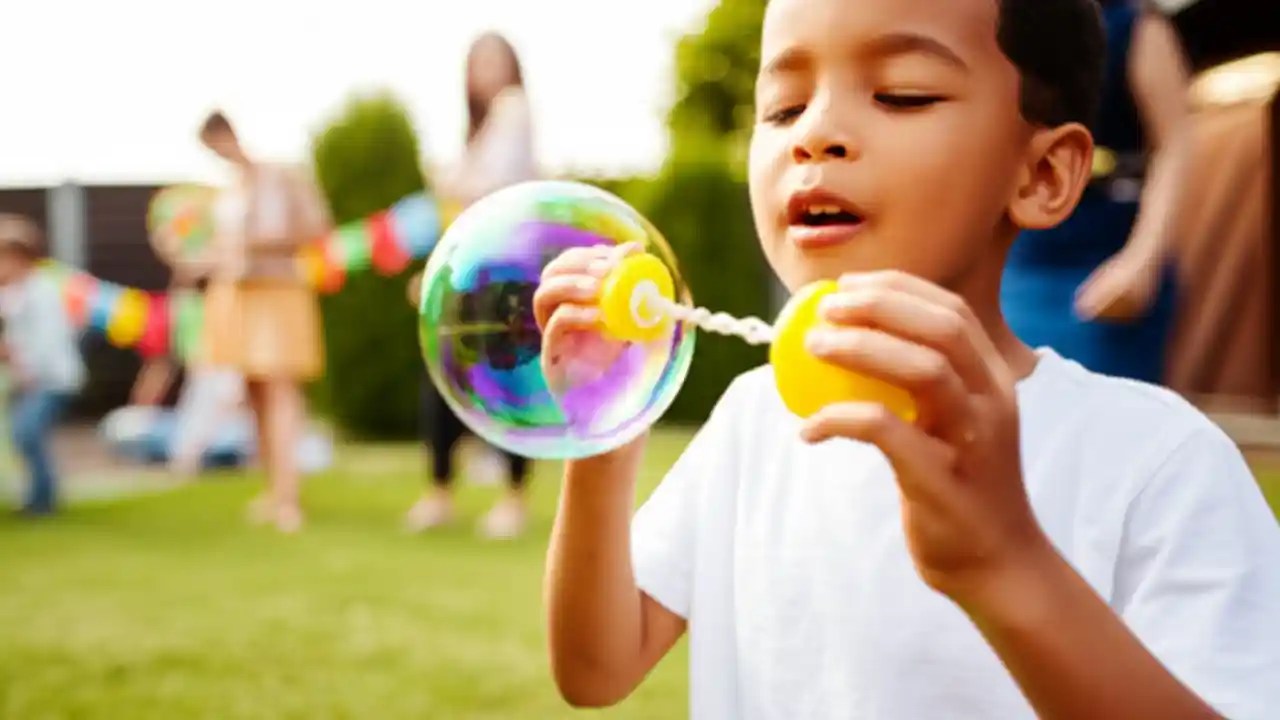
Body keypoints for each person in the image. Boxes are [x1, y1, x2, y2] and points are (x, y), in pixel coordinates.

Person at [539, 0, 1280, 717]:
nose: (816, 133)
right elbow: (597, 668)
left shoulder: (1160, 464)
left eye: (902, 94)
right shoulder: (751, 422)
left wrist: (1004, 562)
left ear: (1043, 174)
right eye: (783, 108)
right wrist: (604, 427)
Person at [1002, 0, 1191, 382]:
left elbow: (1177, 145)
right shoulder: (1009, 20)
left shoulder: (1134, 23)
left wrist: (1142, 260)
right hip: (1021, 258)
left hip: (1106, 260)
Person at [405, 32, 537, 539]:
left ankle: (511, 498)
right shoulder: (479, 130)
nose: (484, 71)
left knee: (506, 378)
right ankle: (440, 492)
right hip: (475, 263)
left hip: (505, 265)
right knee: (445, 378)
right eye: (477, 61)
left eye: (494, 60)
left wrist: (449, 180)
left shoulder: (512, 108)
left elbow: (484, 188)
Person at [197, 111, 331, 533]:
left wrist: (252, 244)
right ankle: (274, 489)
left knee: (280, 389)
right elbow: (220, 247)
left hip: (278, 291)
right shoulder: (227, 190)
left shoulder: (283, 177)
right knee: (254, 392)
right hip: (235, 295)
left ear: (230, 134)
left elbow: (316, 226)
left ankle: (290, 498)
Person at [0, 215, 85, 516]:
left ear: (21, 258)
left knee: (27, 432)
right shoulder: (12, 295)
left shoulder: (43, 291)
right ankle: (38, 496)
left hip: (51, 378)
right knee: (24, 435)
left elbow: (49, 339)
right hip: (28, 379)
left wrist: (27, 367)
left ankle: (43, 499)